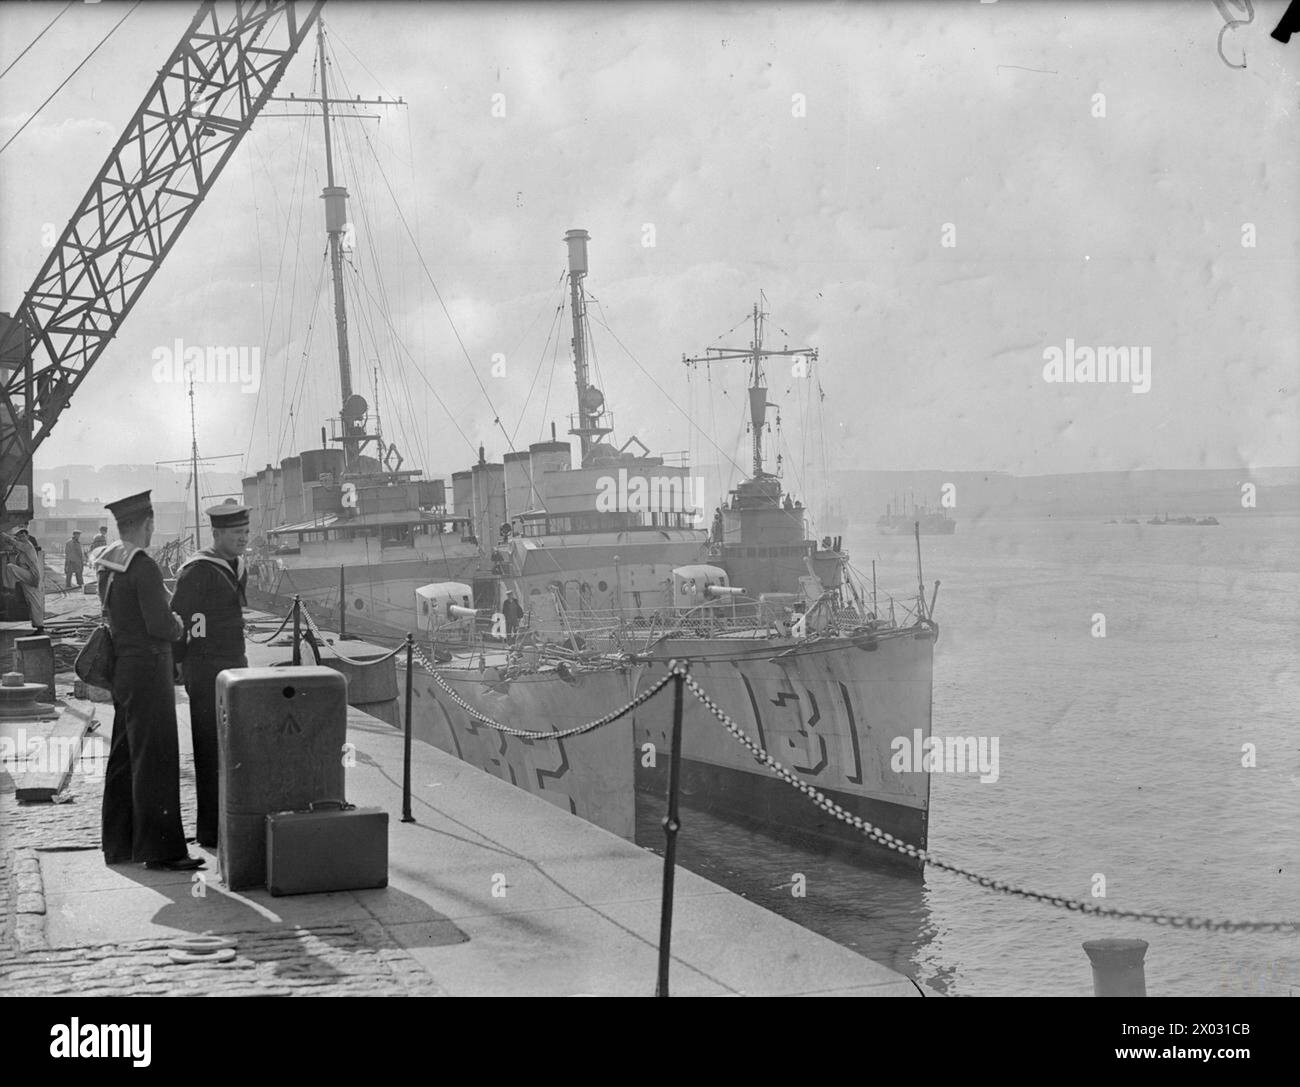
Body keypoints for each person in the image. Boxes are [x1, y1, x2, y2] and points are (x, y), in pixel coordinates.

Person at [95, 491, 201, 871]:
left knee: (124, 756)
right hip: (149, 670)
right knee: (156, 757)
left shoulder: (108, 563)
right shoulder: (144, 566)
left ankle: (119, 844)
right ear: (148, 524)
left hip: (123, 669)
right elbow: (160, 624)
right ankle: (162, 850)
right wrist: (179, 624)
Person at [170, 503, 249, 849]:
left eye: (245, 533)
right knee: (207, 748)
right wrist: (178, 662)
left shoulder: (237, 566)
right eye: (236, 534)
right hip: (204, 667)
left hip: (234, 665)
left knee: (234, 747)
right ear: (216, 535)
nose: (243, 540)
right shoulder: (197, 570)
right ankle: (210, 831)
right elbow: (178, 619)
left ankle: (232, 822)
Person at [1, 519, 45, 631]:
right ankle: (38, 626)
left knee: (10, 567)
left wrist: (2, 533)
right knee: (31, 601)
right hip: (27, 579)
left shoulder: (28, 546)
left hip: (31, 577)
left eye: (24, 535)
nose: (22, 537)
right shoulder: (22, 550)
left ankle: (9, 589)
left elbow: (13, 542)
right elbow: (14, 544)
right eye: (20, 535)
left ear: (27, 536)